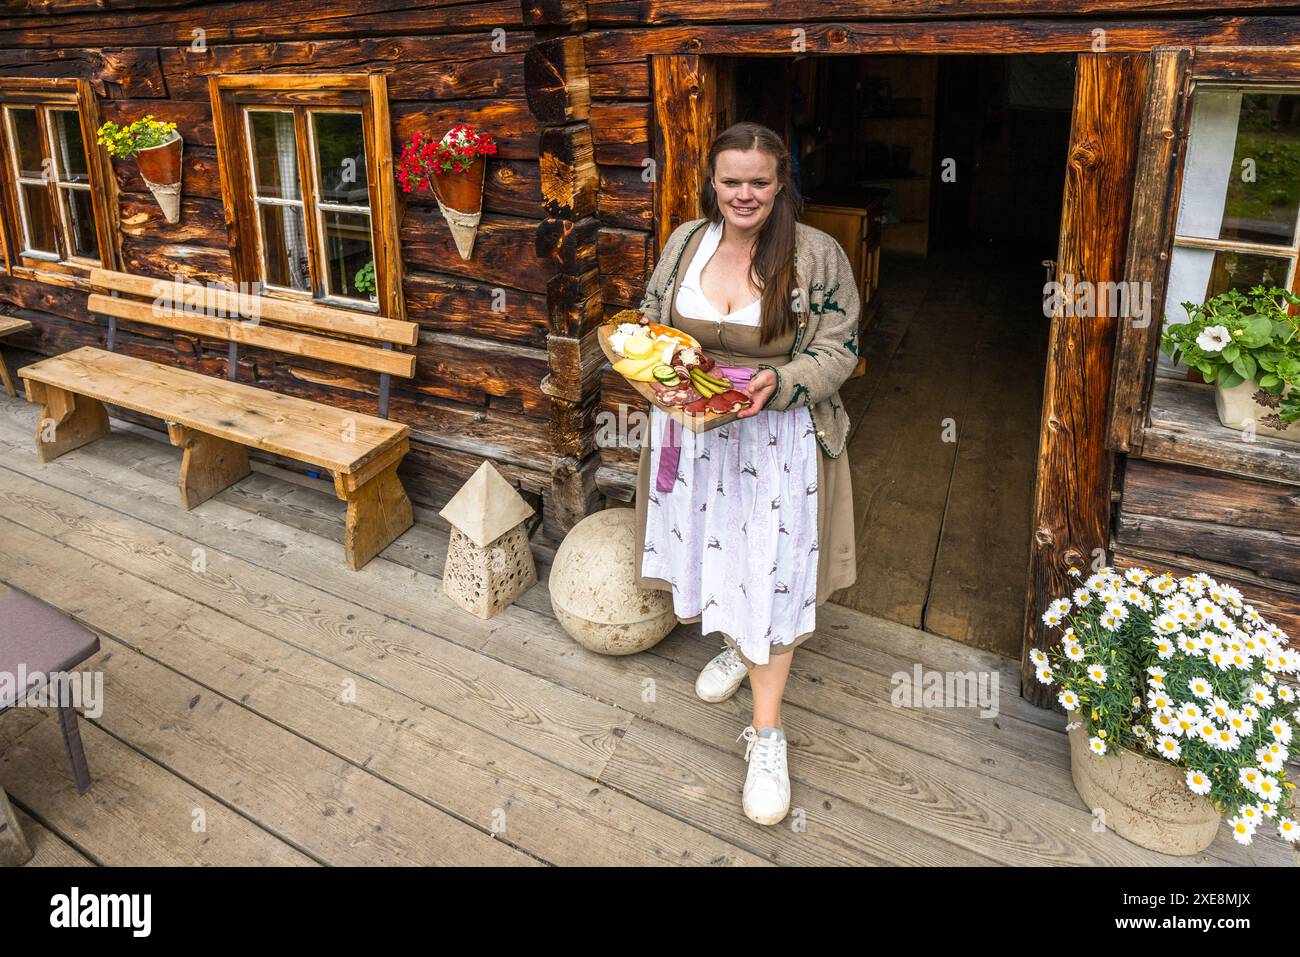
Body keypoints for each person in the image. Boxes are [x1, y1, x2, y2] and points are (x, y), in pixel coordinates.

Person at [632, 121, 859, 825]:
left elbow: (839, 348)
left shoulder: (816, 255)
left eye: (760, 181)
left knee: (775, 574)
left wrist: (776, 383)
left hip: (777, 445)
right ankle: (736, 643)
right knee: (720, 555)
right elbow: (647, 322)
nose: (745, 194)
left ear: (780, 181)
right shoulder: (682, 243)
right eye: (731, 180)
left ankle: (767, 733)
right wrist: (658, 377)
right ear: (713, 180)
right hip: (695, 441)